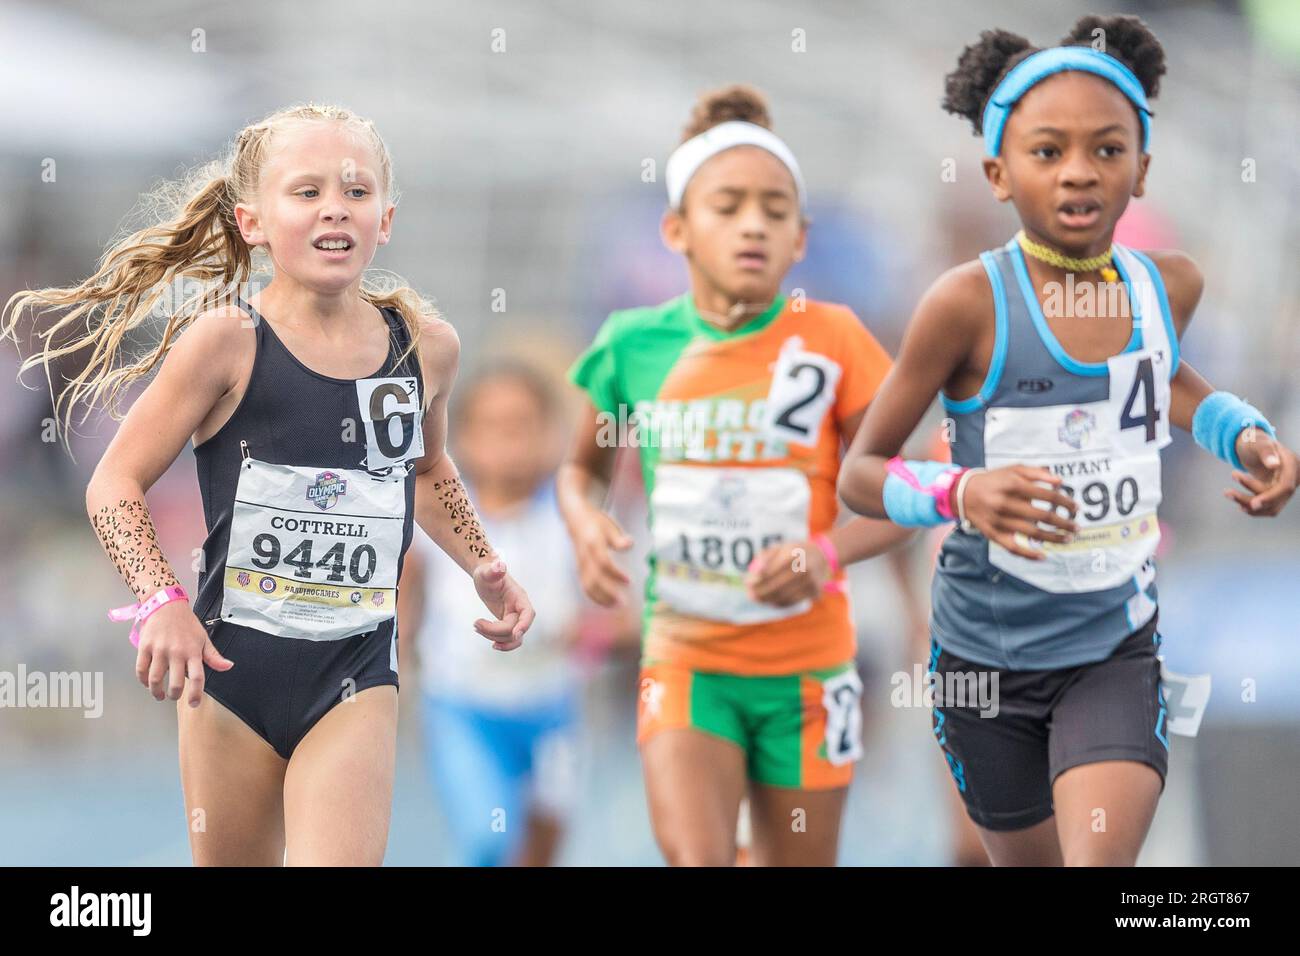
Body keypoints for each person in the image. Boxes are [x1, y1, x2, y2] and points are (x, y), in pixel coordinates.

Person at [1, 103, 534, 865]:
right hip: (230, 679)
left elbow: (424, 471)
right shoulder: (225, 340)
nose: (334, 209)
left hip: (355, 675)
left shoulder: (426, 349)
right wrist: (160, 601)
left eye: (355, 191)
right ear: (252, 221)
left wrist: (483, 563)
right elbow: (114, 481)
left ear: (386, 218)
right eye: (306, 191)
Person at [837, 16, 1297, 866]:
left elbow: (1170, 385)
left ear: (1143, 168)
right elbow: (861, 477)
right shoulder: (963, 305)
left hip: (1112, 649)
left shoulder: (1170, 287)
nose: (1080, 170)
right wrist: (963, 494)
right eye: (1048, 152)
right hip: (983, 662)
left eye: (1107, 149)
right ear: (998, 174)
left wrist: (1248, 436)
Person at [558, 85, 912, 866]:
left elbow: (911, 491)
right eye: (728, 206)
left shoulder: (836, 339)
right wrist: (587, 523)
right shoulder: (630, 344)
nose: (754, 223)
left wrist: (826, 556)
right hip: (685, 662)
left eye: (775, 209)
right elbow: (578, 473)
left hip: (810, 673)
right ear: (677, 229)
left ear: (800, 238)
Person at [398, 361, 581, 866]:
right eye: (494, 428)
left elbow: (615, 610)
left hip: (549, 709)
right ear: (465, 437)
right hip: (462, 705)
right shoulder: (441, 517)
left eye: (522, 427)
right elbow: (400, 609)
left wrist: (597, 630)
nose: (509, 443)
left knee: (542, 842)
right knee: (488, 839)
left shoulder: (570, 513)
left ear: (550, 435)